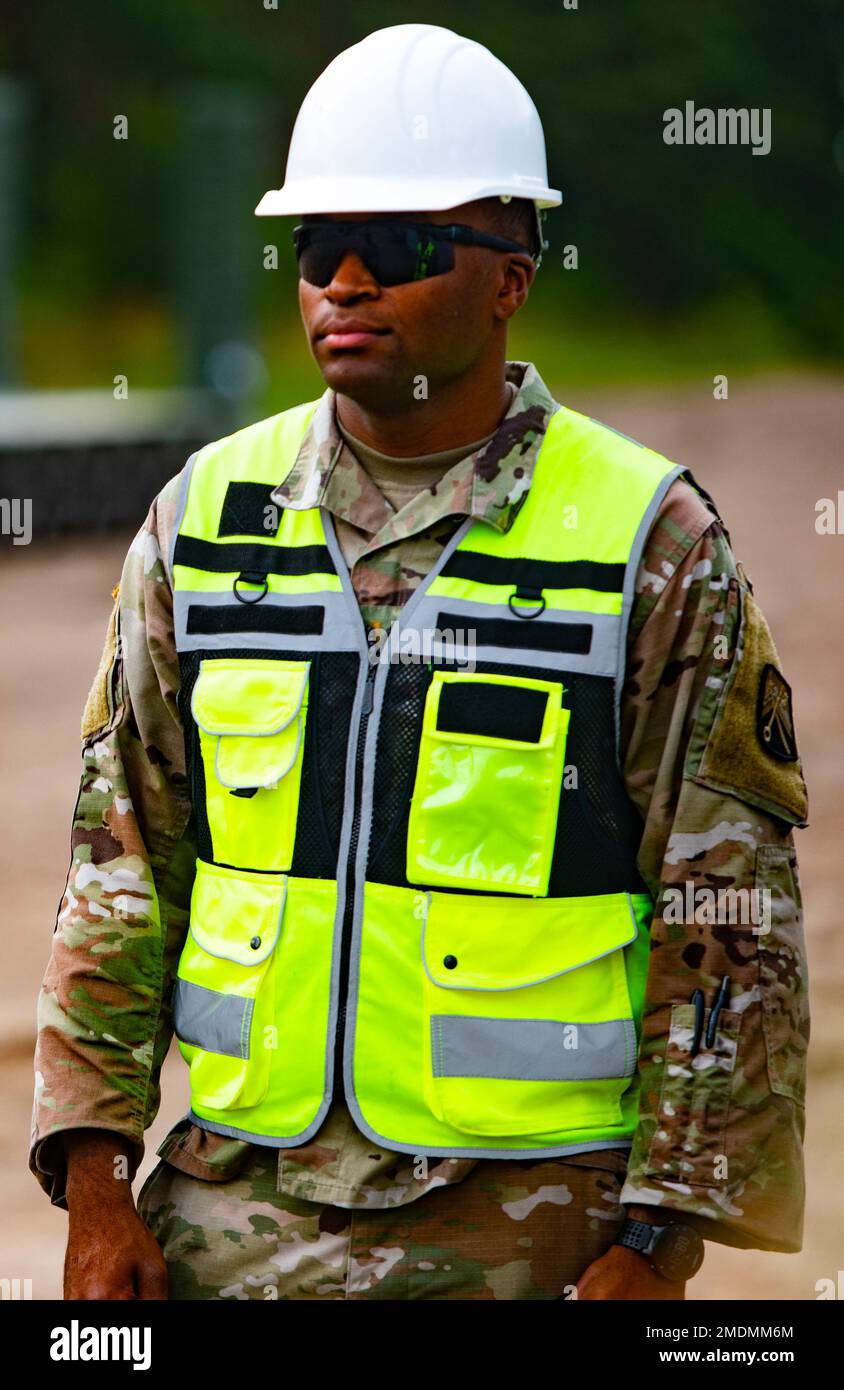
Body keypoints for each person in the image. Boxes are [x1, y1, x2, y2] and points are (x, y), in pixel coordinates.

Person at [31, 24, 809, 1301]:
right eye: (312, 250)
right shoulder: (206, 518)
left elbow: (727, 910)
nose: (341, 282)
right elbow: (120, 863)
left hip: (535, 1226)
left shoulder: (646, 541)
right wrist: (96, 1179)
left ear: (510, 278)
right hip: (233, 1209)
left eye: (390, 248)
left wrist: (661, 1242)